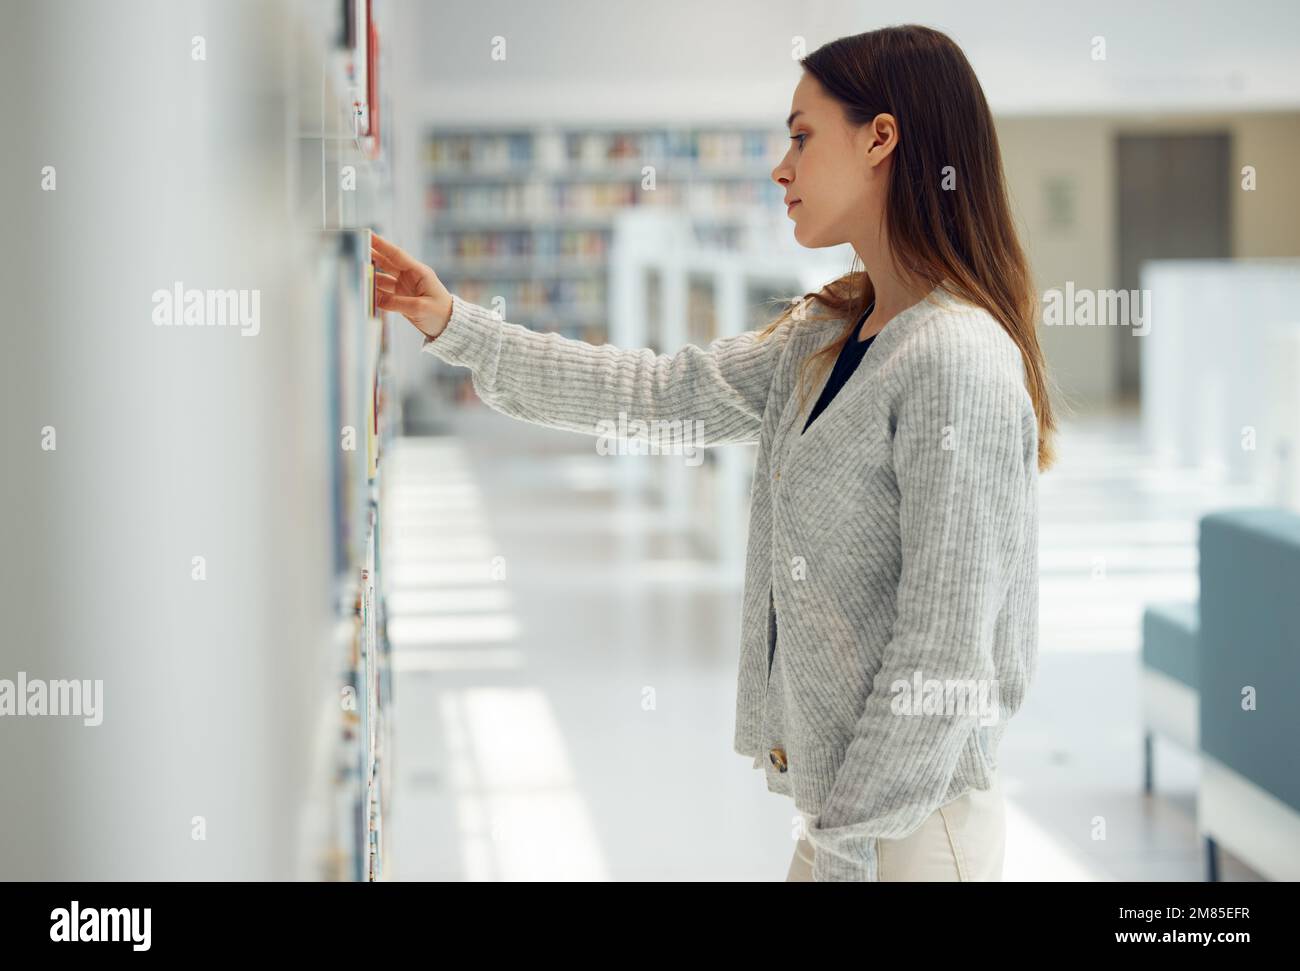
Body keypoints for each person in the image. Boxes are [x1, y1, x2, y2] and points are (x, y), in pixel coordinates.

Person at [370, 23, 1056, 882]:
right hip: (844, 815)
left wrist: (846, 846)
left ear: (881, 138)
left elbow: (947, 655)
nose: (781, 166)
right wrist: (455, 325)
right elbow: (660, 395)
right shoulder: (829, 331)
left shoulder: (958, 358)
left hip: (913, 833)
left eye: (802, 137)